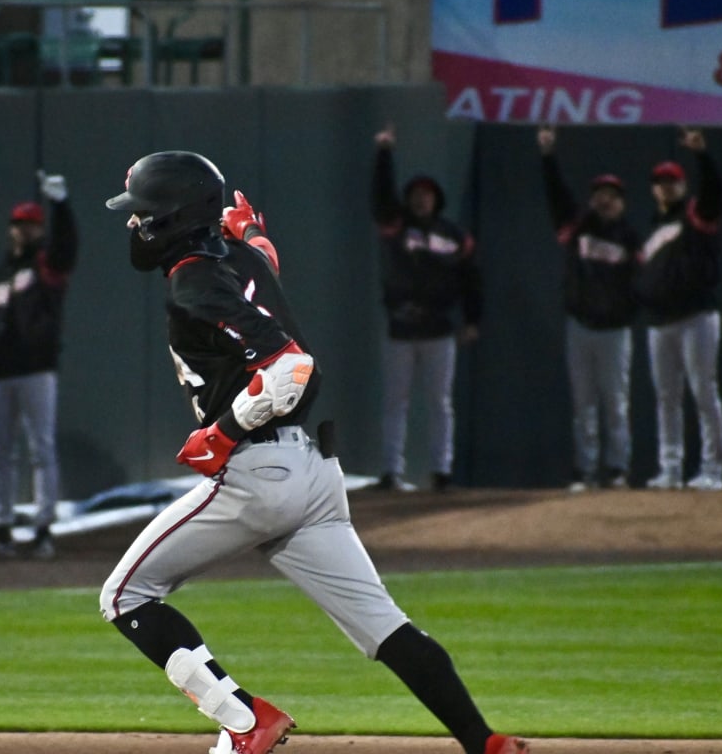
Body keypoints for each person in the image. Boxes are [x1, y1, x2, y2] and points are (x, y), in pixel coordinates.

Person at [99, 151, 528, 754]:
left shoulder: (192, 281)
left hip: (260, 470)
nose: (135, 225)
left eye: (144, 213)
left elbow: (292, 367)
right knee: (386, 626)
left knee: (125, 597)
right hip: (317, 474)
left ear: (175, 217)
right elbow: (263, 265)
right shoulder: (236, 258)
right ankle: (483, 741)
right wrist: (248, 231)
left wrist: (219, 434)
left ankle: (245, 721)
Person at [0, 171, 77, 559]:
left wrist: (60, 205)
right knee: (0, 451)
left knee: (41, 448)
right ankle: (2, 525)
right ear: (10, 228)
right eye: (19, 225)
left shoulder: (45, 267)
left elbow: (66, 250)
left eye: (31, 225)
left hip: (36, 370)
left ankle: (44, 527)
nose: (24, 232)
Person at [370, 125, 483, 493]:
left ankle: (441, 470)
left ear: (437, 200)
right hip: (402, 326)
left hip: (439, 329)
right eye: (415, 195)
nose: (421, 200)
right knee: (395, 402)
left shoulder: (453, 235)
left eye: (427, 195)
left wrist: (472, 318)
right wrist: (384, 153)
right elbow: (381, 198)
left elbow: (471, 278)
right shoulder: (397, 226)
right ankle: (391, 471)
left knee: (439, 403)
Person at [536, 126, 641, 492]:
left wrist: (627, 312)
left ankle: (617, 468)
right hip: (581, 325)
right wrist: (548, 156)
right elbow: (557, 198)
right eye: (600, 194)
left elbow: (639, 284)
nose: (605, 200)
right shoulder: (579, 228)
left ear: (622, 202)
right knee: (584, 404)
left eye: (612, 195)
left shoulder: (630, 238)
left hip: (615, 330)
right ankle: (586, 469)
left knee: (615, 403)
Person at [636, 127, 722, 491]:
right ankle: (671, 469)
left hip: (696, 318)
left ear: (683, 187)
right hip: (660, 323)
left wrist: (702, 155)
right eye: (660, 183)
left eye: (672, 182)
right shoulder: (652, 230)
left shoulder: (694, 216)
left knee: (703, 392)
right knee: (666, 398)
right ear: (652, 189)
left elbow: (715, 194)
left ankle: (712, 471)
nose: (665, 188)